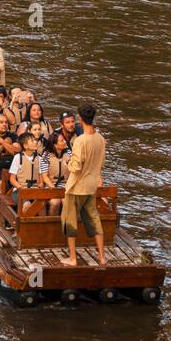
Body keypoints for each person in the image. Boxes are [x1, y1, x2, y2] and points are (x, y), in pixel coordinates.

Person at [61, 103, 107, 268]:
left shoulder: (80, 140)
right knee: (94, 219)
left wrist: (68, 161)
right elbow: (101, 163)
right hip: (91, 185)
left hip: (76, 186)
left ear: (80, 119)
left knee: (70, 221)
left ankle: (72, 258)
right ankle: (102, 257)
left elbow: (76, 166)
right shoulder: (101, 139)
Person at [9, 132, 46, 214]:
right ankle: (24, 225)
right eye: (32, 141)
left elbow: (41, 178)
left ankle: (42, 225)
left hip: (35, 190)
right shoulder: (18, 158)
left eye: (35, 140)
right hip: (20, 191)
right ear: (25, 146)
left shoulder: (39, 158)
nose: (35, 142)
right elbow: (12, 179)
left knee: (42, 204)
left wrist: (41, 184)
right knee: (27, 204)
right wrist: (20, 187)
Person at [42, 129, 72, 216]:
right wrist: (54, 189)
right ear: (55, 145)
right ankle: (52, 224)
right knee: (55, 202)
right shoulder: (46, 155)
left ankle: (65, 225)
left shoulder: (68, 152)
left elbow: (73, 169)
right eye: (62, 141)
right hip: (51, 186)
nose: (65, 142)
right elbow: (44, 176)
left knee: (67, 202)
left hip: (66, 185)